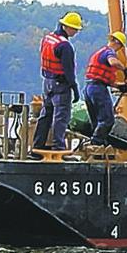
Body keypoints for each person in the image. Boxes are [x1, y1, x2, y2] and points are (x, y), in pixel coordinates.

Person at [33, 12, 83, 152]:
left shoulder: (48, 39)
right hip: (60, 84)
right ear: (67, 27)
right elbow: (69, 70)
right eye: (75, 29)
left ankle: (38, 145)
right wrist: (74, 88)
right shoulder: (65, 46)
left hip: (47, 82)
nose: (76, 32)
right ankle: (58, 147)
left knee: (46, 114)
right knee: (61, 116)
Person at [84, 31, 127, 146]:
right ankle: (97, 143)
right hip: (98, 89)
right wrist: (124, 68)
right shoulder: (109, 52)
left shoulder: (98, 53)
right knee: (107, 120)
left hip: (89, 88)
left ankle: (95, 143)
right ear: (117, 43)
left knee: (96, 120)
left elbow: (102, 77)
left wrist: (118, 87)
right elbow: (113, 62)